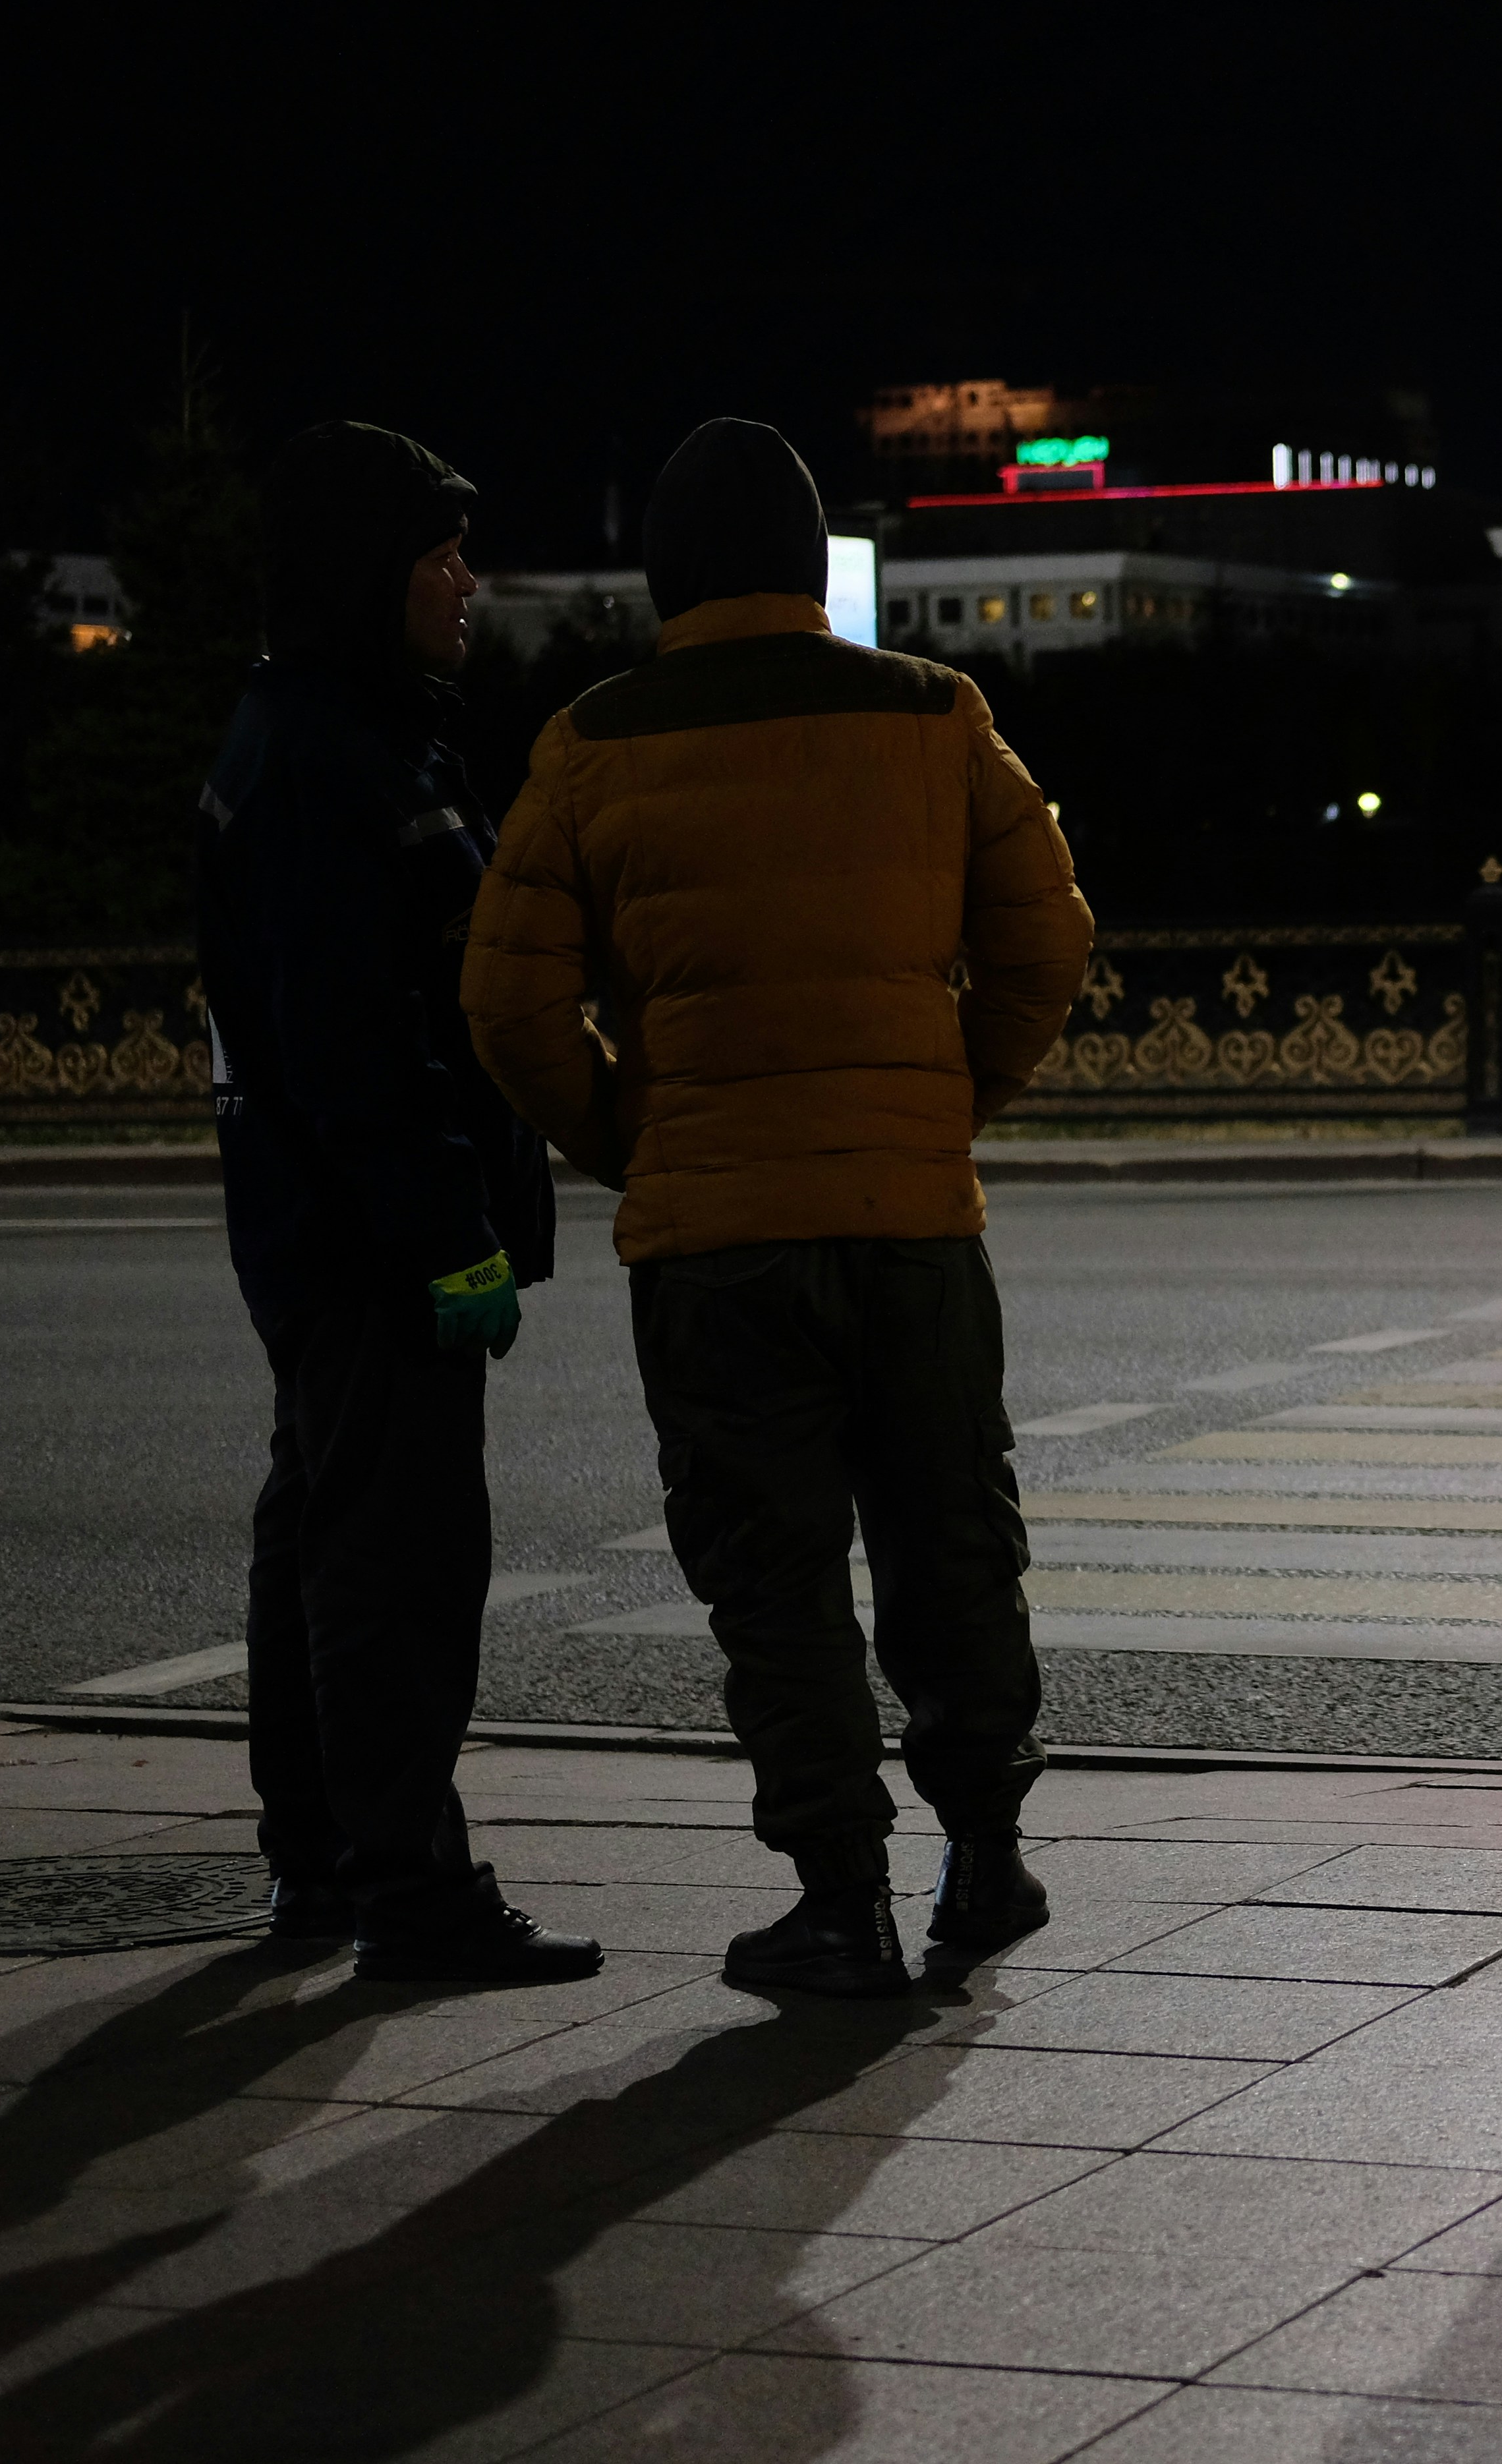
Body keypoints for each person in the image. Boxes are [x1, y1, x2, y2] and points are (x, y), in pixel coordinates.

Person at [462, 418, 1093, 1997]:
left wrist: (648, 1136)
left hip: (718, 1242)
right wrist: (936, 1099)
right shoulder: (937, 713)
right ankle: (989, 1858)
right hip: (912, 1225)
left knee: (775, 1569)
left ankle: (841, 1899)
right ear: (815, 567)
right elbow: (1048, 944)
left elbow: (511, 1008)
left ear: (664, 575)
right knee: (951, 1537)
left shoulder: (591, 744)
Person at [197, 421, 602, 1984]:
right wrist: (451, 1240)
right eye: (440, 556)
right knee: (397, 1566)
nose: (468, 583)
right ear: (369, 577)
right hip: (372, 1245)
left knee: (324, 1539)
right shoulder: (325, 762)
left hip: (333, 1237)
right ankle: (411, 1894)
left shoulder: (352, 731)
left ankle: (322, 1862)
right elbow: (360, 1044)